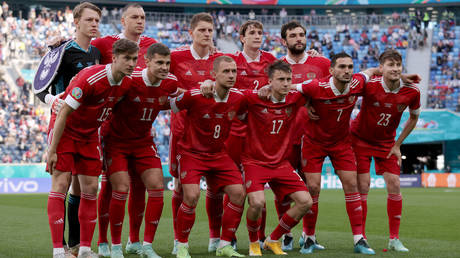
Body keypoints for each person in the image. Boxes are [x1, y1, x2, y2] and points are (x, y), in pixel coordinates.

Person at [46, 39, 138, 258]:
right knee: (61, 184)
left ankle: (85, 249)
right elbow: (63, 113)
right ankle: (59, 251)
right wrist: (52, 150)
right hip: (66, 131)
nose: (132, 63)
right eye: (127, 58)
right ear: (114, 58)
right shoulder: (91, 78)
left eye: (134, 59)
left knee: (90, 189)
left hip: (89, 136)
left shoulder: (126, 83)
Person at [34, 2, 101, 256]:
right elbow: (40, 87)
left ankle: (77, 247)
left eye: (97, 20)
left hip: (87, 128)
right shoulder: (62, 51)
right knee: (61, 184)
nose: (94, 24)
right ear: (76, 22)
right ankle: (58, 250)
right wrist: (53, 101)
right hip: (63, 125)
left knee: (84, 189)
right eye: (89, 20)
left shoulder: (96, 52)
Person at [91, 4, 158, 256]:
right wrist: (59, 43)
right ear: (122, 20)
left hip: (141, 128)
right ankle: (104, 241)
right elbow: (81, 52)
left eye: (143, 17)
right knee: (111, 186)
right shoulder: (104, 44)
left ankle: (135, 241)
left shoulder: (151, 45)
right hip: (113, 128)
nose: (140, 21)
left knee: (140, 187)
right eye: (134, 17)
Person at [293, 52, 377, 255]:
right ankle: (309, 237)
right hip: (314, 143)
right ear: (331, 71)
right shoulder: (315, 86)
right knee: (312, 187)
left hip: (341, 143)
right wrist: (305, 104)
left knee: (351, 184)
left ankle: (359, 239)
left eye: (350, 67)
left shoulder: (357, 82)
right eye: (341, 67)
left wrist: (403, 77)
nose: (347, 70)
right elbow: (290, 89)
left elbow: (373, 70)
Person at [103, 43, 180, 258]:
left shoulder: (170, 82)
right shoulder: (130, 80)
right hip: (116, 142)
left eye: (167, 63)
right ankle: (115, 246)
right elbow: (107, 102)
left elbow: (177, 96)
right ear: (146, 61)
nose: (165, 67)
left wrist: (204, 88)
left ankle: (145, 245)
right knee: (121, 188)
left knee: (157, 187)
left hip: (143, 142)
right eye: (159, 63)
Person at [170, 56, 246, 258]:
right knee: (192, 195)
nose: (231, 75)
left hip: (218, 155)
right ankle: (182, 245)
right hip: (191, 153)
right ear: (213, 75)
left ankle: (224, 245)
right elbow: (171, 104)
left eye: (234, 71)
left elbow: (259, 100)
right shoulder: (195, 95)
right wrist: (199, 85)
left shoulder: (239, 97)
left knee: (238, 192)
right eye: (226, 71)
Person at [351, 49, 420, 253]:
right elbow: (349, 90)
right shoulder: (369, 85)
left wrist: (397, 144)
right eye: (390, 65)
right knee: (364, 186)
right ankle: (360, 238)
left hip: (387, 144)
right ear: (381, 69)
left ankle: (394, 239)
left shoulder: (412, 91)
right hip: (359, 140)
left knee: (395, 184)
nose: (396, 68)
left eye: (398, 65)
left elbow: (414, 118)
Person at [168, 12, 224, 254]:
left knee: (217, 187)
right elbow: (163, 81)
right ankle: (178, 240)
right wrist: (193, 91)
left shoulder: (222, 59)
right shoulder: (176, 57)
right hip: (182, 132)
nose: (207, 34)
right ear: (191, 33)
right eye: (202, 30)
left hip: (214, 132)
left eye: (210, 30)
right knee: (180, 188)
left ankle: (215, 237)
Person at [243, 61, 312, 256]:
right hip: (254, 161)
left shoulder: (295, 98)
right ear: (270, 81)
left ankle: (272, 240)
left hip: (281, 163)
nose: (285, 83)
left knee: (305, 202)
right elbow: (233, 95)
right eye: (281, 79)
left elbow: (318, 88)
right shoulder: (254, 98)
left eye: (289, 79)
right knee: (257, 203)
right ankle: (254, 243)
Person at [279, 20, 330, 251]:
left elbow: (331, 91)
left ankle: (309, 236)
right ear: (284, 41)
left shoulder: (322, 63)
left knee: (312, 188)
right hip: (285, 138)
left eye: (301, 34)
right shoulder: (276, 66)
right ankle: (285, 234)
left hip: (312, 137)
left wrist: (313, 102)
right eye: (293, 35)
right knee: (283, 189)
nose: (298, 38)